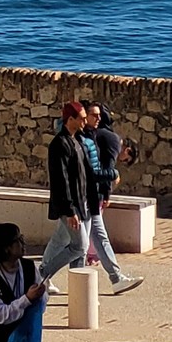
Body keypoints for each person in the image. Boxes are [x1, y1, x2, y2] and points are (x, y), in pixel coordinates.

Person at [79, 101, 142, 295]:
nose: (124, 161)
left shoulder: (99, 135)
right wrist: (108, 189)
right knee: (72, 244)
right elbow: (103, 168)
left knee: (92, 238)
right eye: (127, 159)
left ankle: (116, 279)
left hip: (87, 195)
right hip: (86, 195)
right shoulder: (114, 141)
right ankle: (44, 277)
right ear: (128, 151)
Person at [40, 100, 96, 287]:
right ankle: (43, 273)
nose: (84, 122)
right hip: (70, 205)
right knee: (79, 246)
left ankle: (79, 289)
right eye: (81, 119)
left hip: (83, 203)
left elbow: (85, 173)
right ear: (69, 119)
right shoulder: (59, 144)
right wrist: (70, 210)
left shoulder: (78, 141)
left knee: (71, 244)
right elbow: (60, 180)